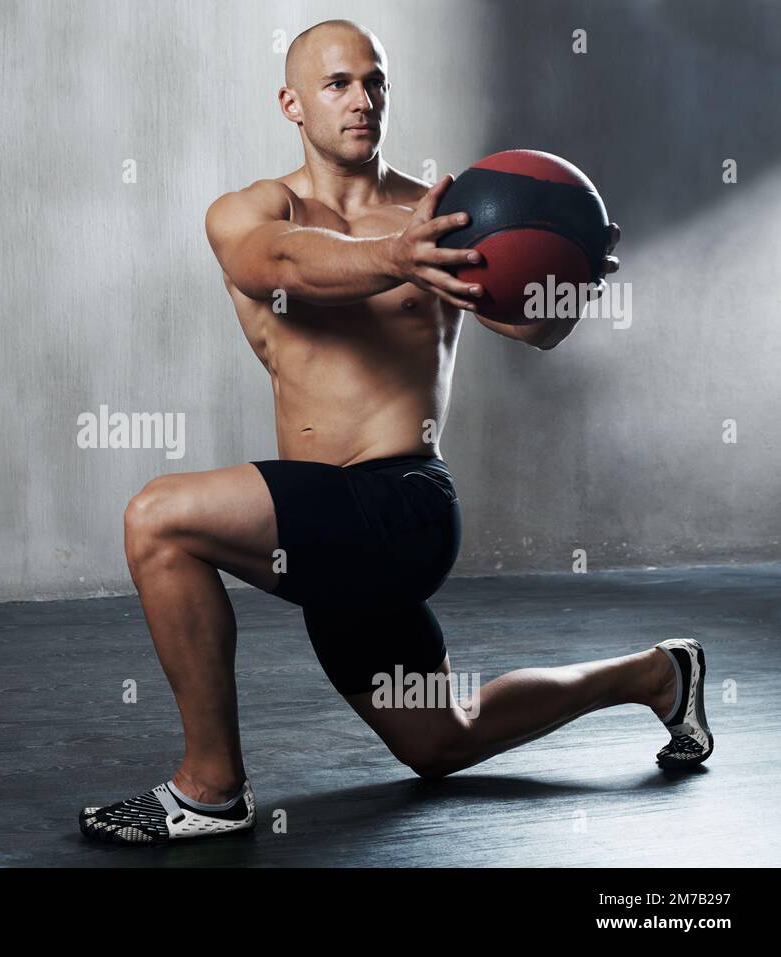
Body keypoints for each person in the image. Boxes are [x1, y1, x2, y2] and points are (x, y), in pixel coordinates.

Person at [78, 18, 710, 846]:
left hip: (403, 505)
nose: (362, 99)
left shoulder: (445, 216)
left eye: (375, 81)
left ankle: (211, 789)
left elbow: (532, 331)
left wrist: (570, 278)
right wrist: (397, 259)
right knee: (439, 738)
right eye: (337, 84)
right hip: (328, 538)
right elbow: (280, 264)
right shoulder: (254, 212)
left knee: (158, 518)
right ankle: (661, 673)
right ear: (292, 104)